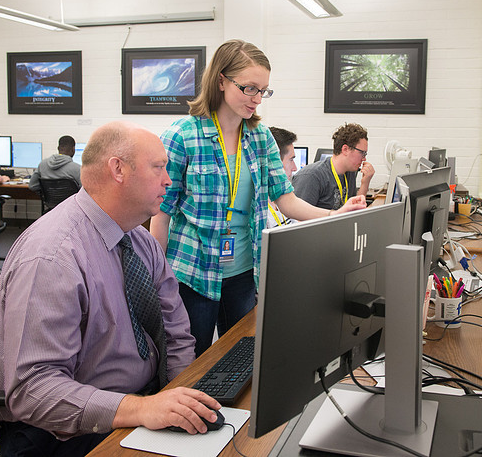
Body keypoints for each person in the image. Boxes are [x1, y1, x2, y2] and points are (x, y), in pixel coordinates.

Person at [0, 121, 220, 456]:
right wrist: (141, 409)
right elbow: (33, 390)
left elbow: (175, 329)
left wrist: (182, 394)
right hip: (65, 430)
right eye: (159, 168)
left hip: (141, 402)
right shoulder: (52, 258)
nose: (168, 180)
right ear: (118, 169)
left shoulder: (138, 238)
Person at [150, 40, 366, 357]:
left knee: (240, 360)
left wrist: (337, 217)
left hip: (242, 272)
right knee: (188, 363)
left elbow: (286, 200)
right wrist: (159, 281)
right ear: (221, 80)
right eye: (249, 88)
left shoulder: (260, 137)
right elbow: (161, 213)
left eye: (263, 91)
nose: (257, 100)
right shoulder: (183, 134)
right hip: (192, 273)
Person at [292, 123, 376, 210]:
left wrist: (365, 183)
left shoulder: (349, 172)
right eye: (362, 153)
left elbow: (354, 212)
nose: (364, 158)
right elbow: (297, 219)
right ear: (345, 149)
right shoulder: (312, 176)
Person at [268, 126, 299, 227]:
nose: (295, 168)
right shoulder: (259, 211)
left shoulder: (282, 199)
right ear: (275, 162)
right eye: (291, 160)